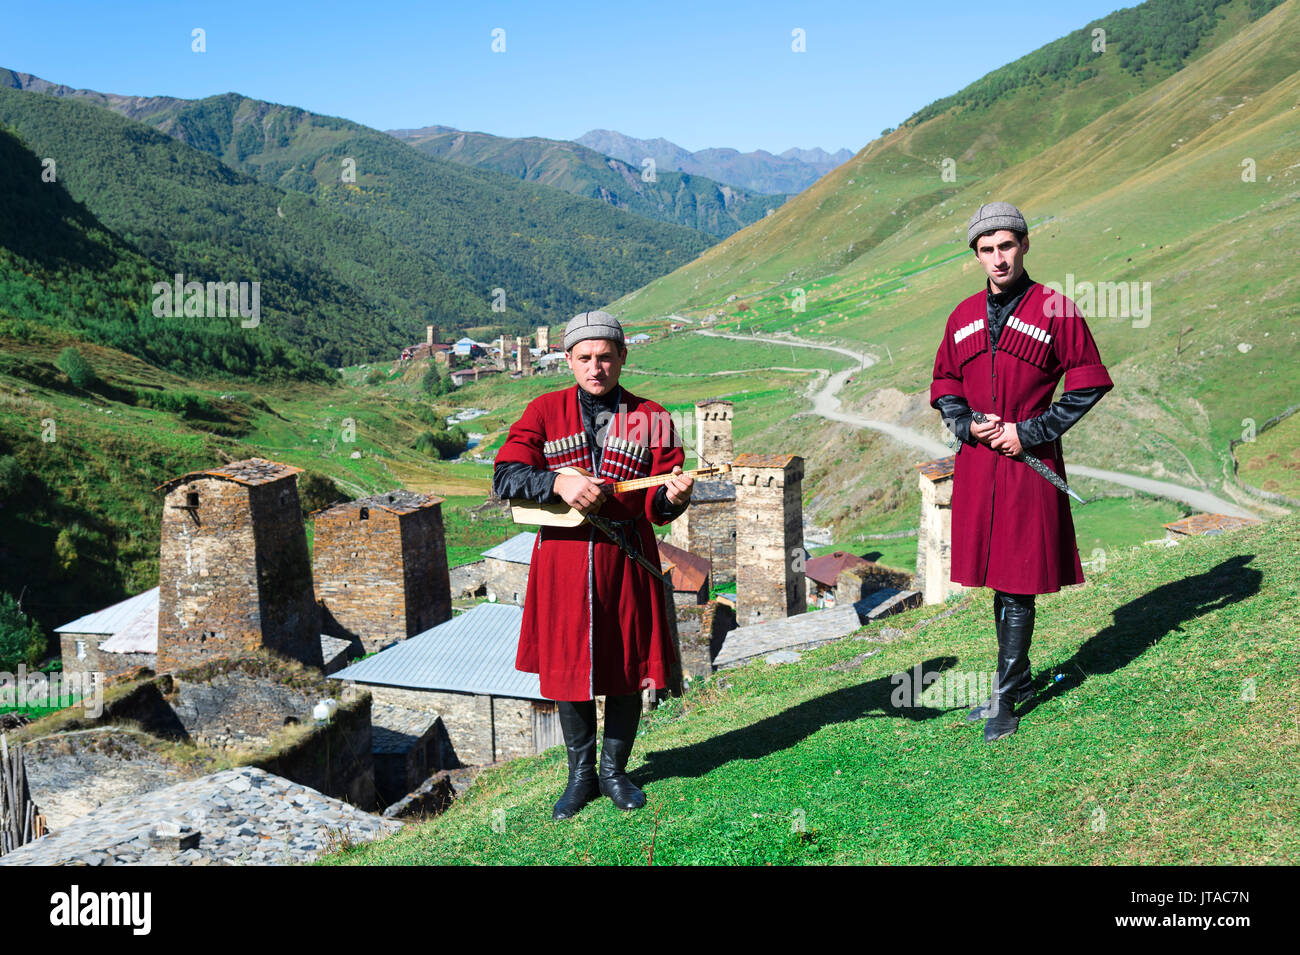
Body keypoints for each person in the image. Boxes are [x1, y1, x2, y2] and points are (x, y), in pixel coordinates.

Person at [493, 310, 694, 818]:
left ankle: (615, 773)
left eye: (606, 357)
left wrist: (674, 498)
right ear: (569, 361)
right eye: (585, 358)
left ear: (623, 357)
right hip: (560, 562)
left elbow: (657, 505)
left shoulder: (652, 417)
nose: (596, 367)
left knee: (626, 666)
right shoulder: (543, 411)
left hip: (626, 558)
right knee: (569, 669)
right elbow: (505, 475)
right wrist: (557, 482)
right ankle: (580, 777)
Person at [930, 202, 1113, 742]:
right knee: (997, 580)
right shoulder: (962, 315)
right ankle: (1019, 682)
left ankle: (1006, 698)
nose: (997, 258)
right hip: (979, 465)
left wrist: (1029, 432)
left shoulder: (1057, 310)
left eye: (1005, 246)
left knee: (1016, 583)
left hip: (1028, 465)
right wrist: (963, 424)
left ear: (1025, 245)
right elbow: (944, 383)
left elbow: (1088, 383)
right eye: (986, 250)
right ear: (976, 255)